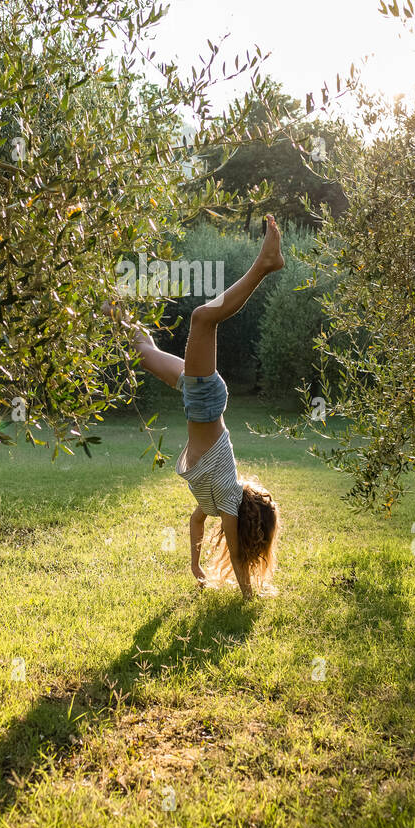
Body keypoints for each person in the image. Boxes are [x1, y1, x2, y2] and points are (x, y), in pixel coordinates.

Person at [105, 215, 284, 597]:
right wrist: (247, 593)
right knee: (203, 319)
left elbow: (195, 522)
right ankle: (264, 265)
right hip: (204, 405)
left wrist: (195, 564)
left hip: (195, 398)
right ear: (248, 519)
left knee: (144, 352)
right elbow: (235, 554)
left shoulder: (216, 502)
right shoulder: (229, 500)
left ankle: (109, 304)